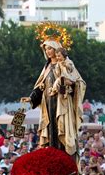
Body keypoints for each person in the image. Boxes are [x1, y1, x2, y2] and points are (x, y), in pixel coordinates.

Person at [20, 28, 86, 159]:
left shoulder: (66, 64)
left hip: (62, 103)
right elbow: (41, 86)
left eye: (50, 48)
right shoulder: (47, 67)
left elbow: (79, 82)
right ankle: (51, 155)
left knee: (62, 129)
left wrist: (67, 83)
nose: (48, 51)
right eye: (46, 49)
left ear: (56, 49)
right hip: (48, 103)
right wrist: (32, 98)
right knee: (51, 130)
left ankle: (64, 156)